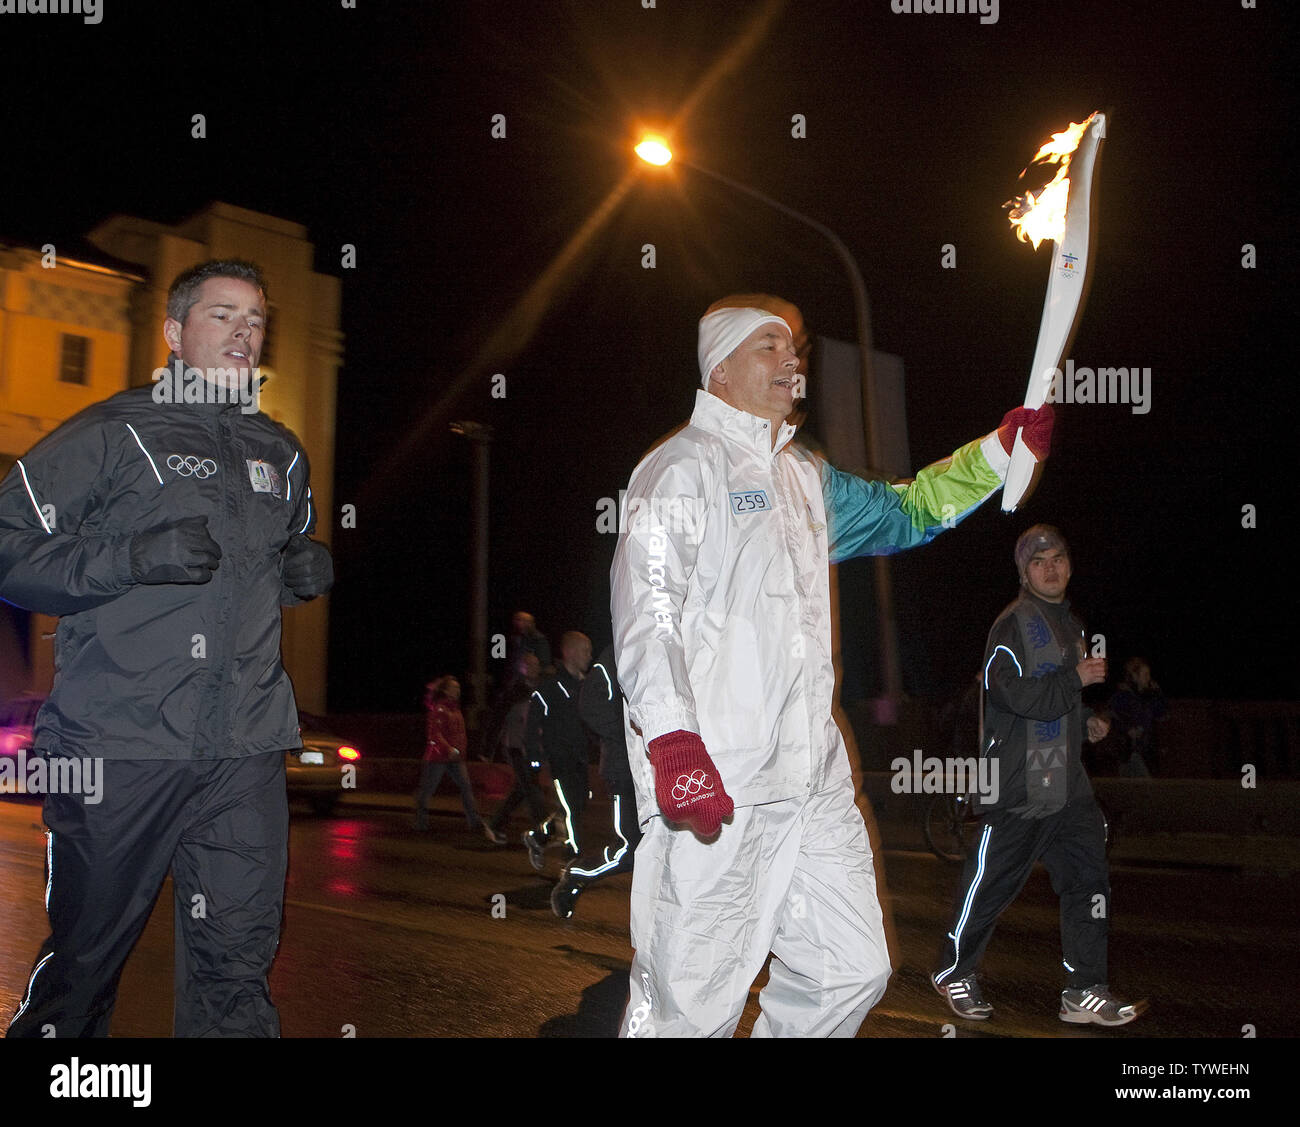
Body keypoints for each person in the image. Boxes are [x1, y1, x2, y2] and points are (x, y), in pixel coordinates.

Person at [610, 300, 1052, 1037]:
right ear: (719, 367)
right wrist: (671, 739)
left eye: (796, 348)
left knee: (850, 966)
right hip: (716, 771)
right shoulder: (680, 468)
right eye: (770, 346)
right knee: (690, 1003)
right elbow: (647, 606)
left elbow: (909, 510)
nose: (793, 360)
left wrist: (1000, 453)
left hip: (813, 774)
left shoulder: (803, 479)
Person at [0, 259, 333, 1038]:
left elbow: (256, 574)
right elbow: (8, 546)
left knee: (237, 967)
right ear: (176, 333)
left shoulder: (281, 452)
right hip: (120, 745)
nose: (243, 331)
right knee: (83, 966)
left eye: (254, 317)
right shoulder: (114, 431)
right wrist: (126, 558)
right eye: (221, 315)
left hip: (244, 750)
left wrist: (300, 570)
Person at [931, 524, 1148, 1027]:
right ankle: (953, 971)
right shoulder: (1012, 625)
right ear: (1024, 573)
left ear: (1070, 565)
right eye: (1038, 561)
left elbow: (1054, 702)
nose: (1050, 568)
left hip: (1067, 786)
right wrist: (1074, 679)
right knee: (990, 886)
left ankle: (1084, 989)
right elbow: (1011, 694)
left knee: (1088, 882)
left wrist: (1084, 722)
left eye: (1058, 558)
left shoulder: (1070, 623)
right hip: (1018, 785)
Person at [550, 641, 643, 918]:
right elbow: (590, 704)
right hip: (625, 770)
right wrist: (630, 739)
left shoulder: (667, 643)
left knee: (667, 850)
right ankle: (577, 873)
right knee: (629, 851)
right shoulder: (619, 650)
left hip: (657, 770)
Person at [521, 631, 592, 871]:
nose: (589, 656)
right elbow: (532, 725)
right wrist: (534, 759)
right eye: (585, 650)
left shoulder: (586, 685)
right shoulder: (549, 687)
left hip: (580, 757)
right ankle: (573, 856)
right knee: (572, 806)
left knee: (578, 804)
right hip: (558, 758)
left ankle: (539, 836)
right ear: (570, 652)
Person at [414, 676, 490, 838]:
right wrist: (448, 749)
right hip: (438, 758)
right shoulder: (440, 709)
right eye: (454, 688)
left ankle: (474, 821)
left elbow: (459, 734)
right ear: (446, 690)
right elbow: (435, 734)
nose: (458, 691)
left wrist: (460, 751)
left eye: (458, 688)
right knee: (427, 790)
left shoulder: (455, 709)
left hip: (455, 757)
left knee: (465, 787)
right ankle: (420, 821)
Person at [483, 653, 546, 844]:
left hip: (534, 747)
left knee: (522, 789)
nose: (533, 667)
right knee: (531, 788)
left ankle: (495, 824)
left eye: (536, 664)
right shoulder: (513, 691)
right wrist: (487, 750)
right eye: (529, 664)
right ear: (522, 668)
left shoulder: (541, 689)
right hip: (515, 747)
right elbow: (497, 719)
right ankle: (542, 832)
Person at [1107, 657, 1165, 777]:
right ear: (1134, 676)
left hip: (1146, 751)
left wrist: (1158, 694)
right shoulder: (1123, 697)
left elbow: (1161, 714)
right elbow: (1112, 717)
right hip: (1128, 752)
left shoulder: (1148, 697)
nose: (1148, 678)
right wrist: (1127, 730)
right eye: (1145, 674)